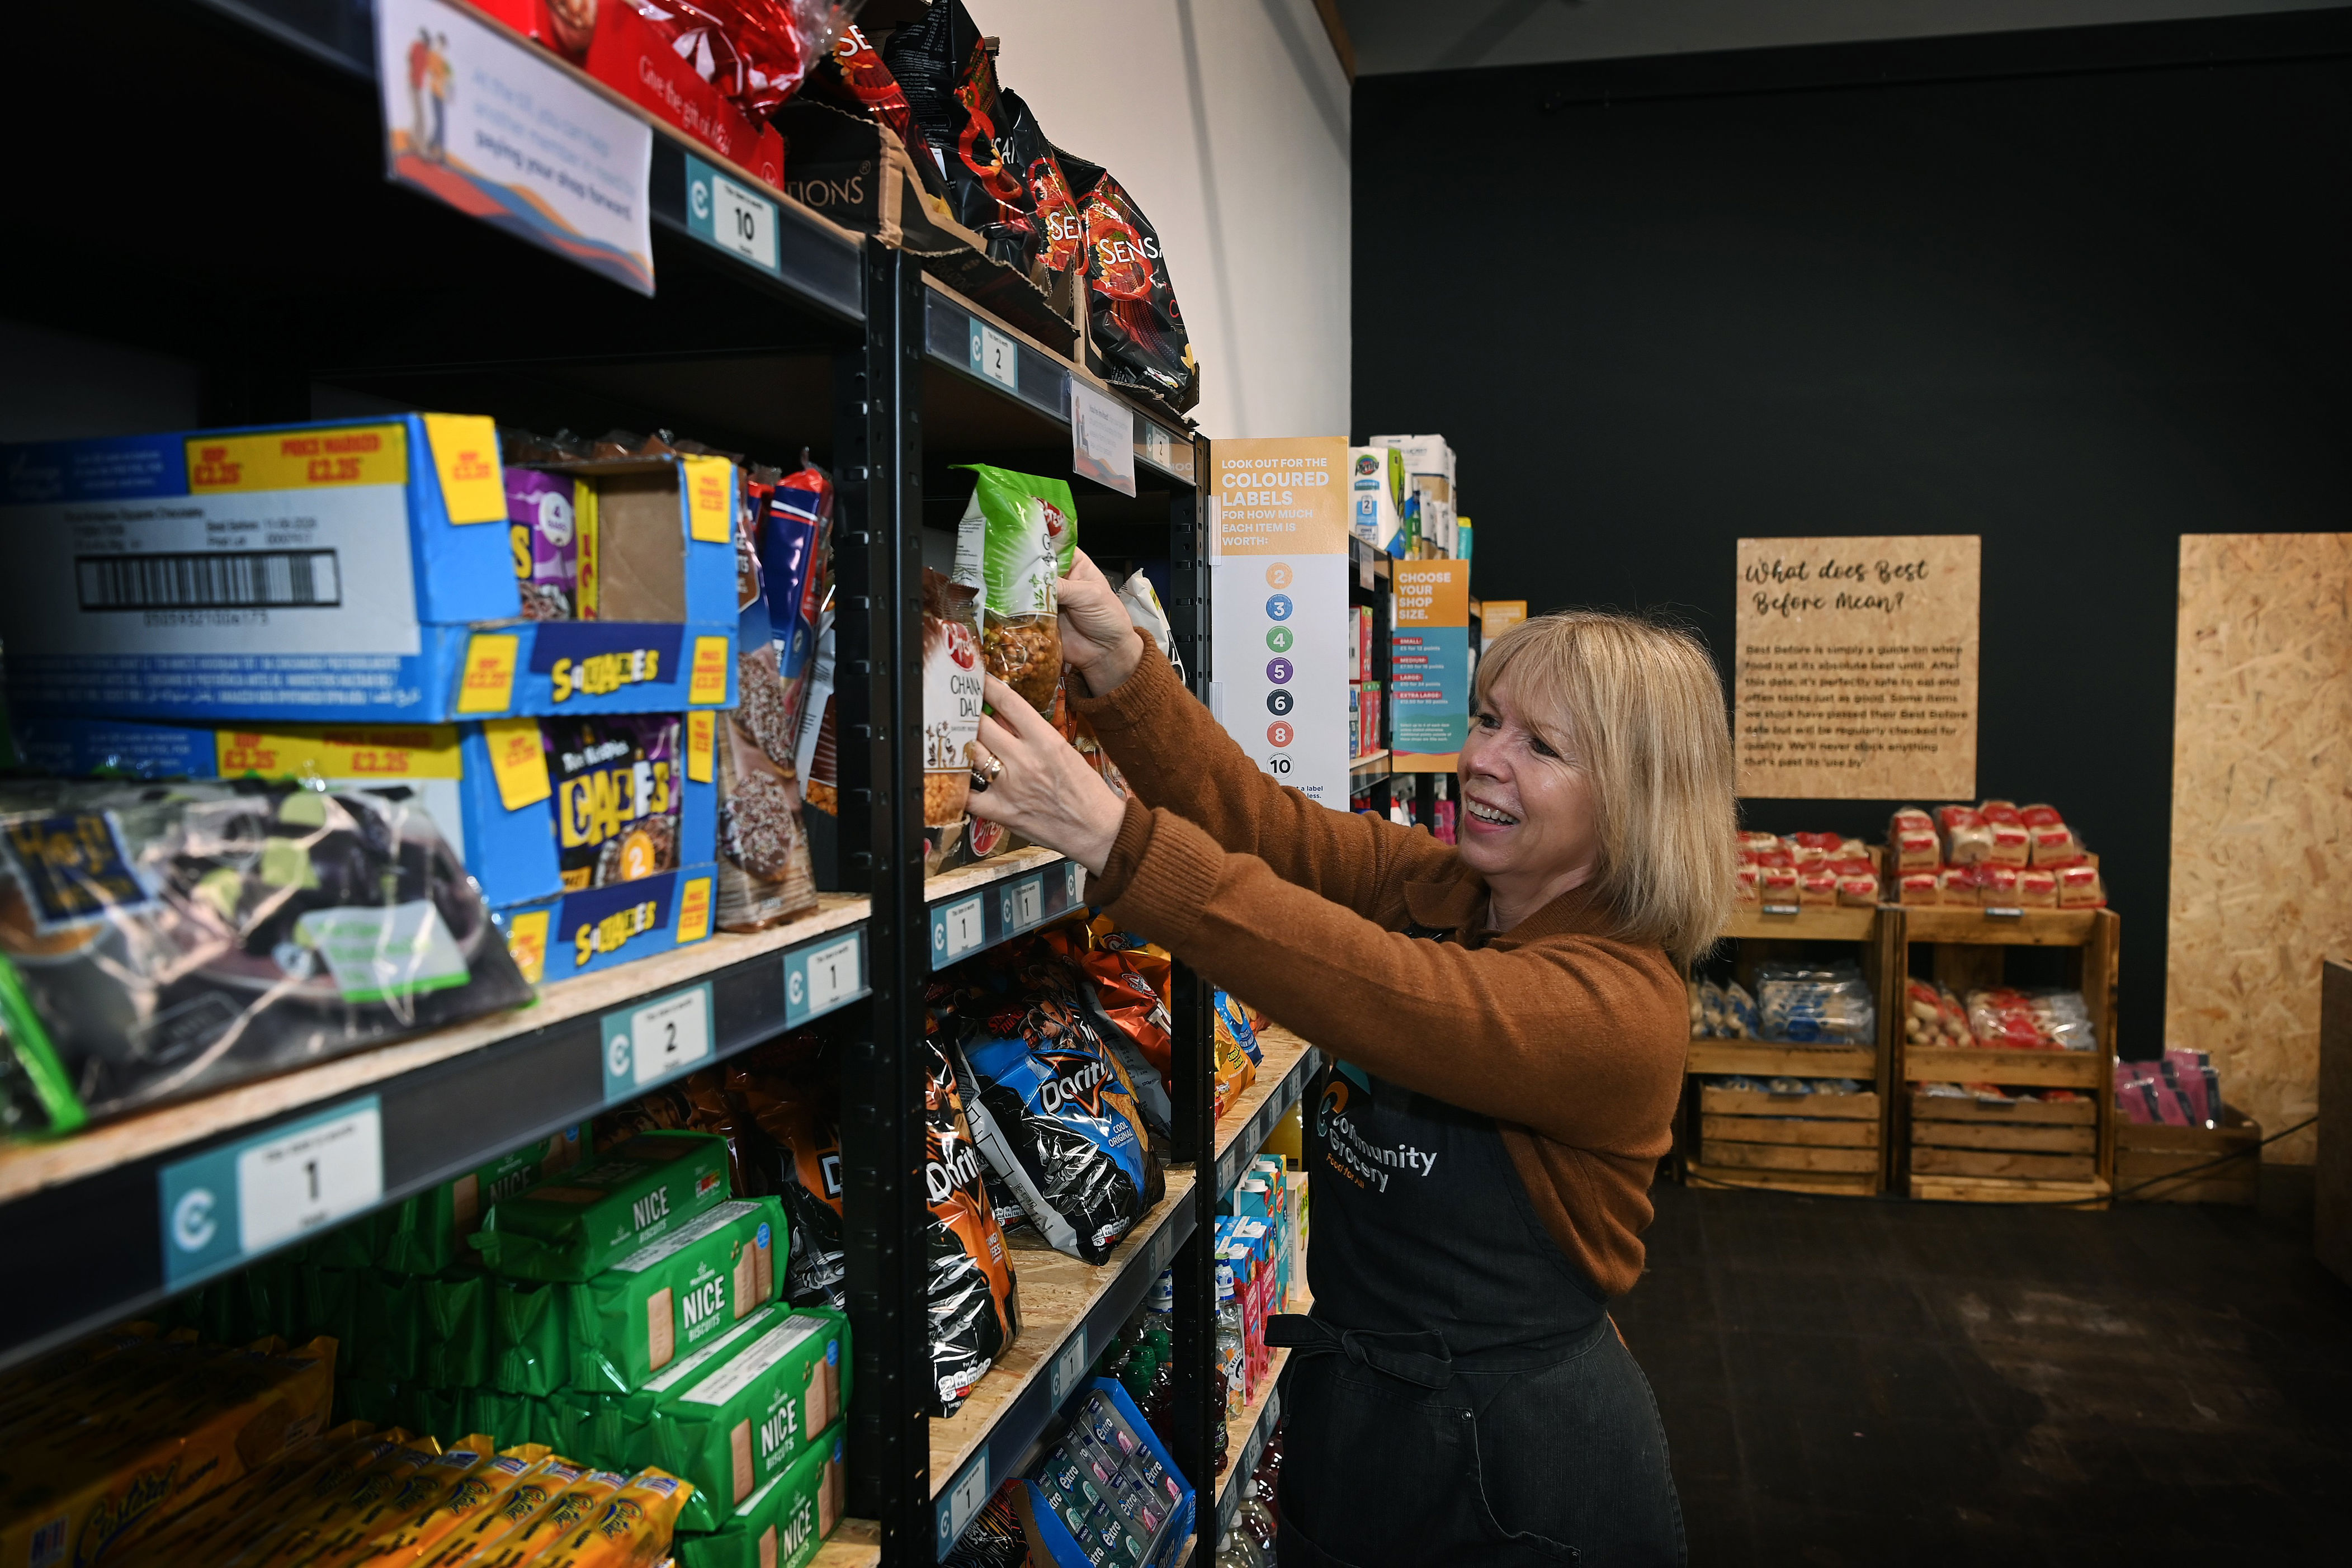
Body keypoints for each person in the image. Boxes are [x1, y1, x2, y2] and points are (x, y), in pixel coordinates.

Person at [962, 552, 1735, 1567]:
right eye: (1488, 718)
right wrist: (1122, 667)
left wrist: (1115, 841)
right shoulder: (1456, 891)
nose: (1484, 757)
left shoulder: (1618, 1006)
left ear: (1637, 801)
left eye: (1540, 745)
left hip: (1516, 1471)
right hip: (1363, 1424)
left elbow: (1376, 987)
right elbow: (1263, 827)